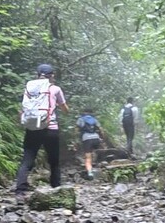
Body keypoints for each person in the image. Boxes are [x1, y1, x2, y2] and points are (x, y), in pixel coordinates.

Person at [14, 62, 68, 196]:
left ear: (37, 75)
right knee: (54, 161)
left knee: (27, 159)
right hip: (51, 128)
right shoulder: (55, 89)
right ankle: (56, 189)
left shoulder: (30, 89)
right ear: (52, 76)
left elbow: (23, 109)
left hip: (33, 128)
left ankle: (20, 190)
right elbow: (65, 109)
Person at [76, 107, 106, 178]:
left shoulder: (81, 119)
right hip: (96, 138)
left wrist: (77, 139)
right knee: (98, 152)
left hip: (86, 138)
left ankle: (90, 173)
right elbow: (101, 130)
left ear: (84, 112)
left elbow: (76, 130)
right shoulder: (94, 120)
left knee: (88, 157)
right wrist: (102, 139)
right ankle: (101, 169)